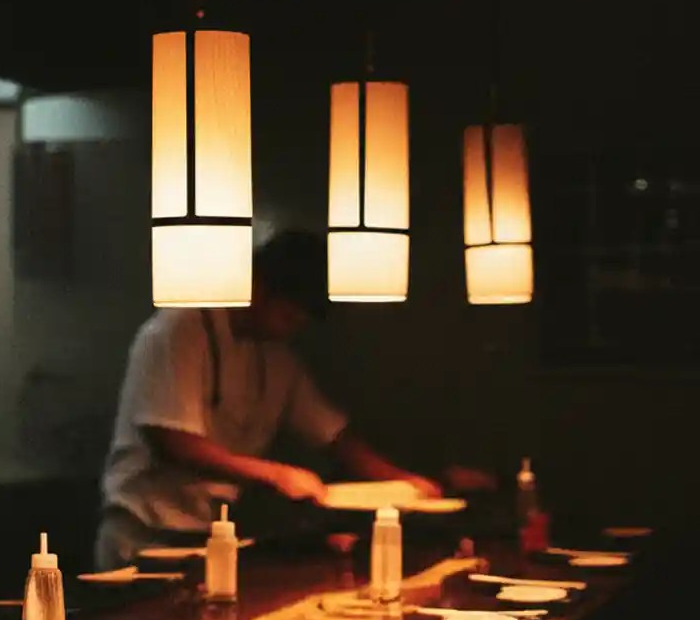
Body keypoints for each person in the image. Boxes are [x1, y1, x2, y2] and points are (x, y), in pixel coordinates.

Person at [96, 230, 493, 570]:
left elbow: (335, 435)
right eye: (288, 317)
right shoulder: (180, 327)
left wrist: (399, 479)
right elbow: (172, 441)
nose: (292, 330)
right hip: (144, 541)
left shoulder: (277, 356)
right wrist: (277, 474)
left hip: (211, 539)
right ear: (258, 286)